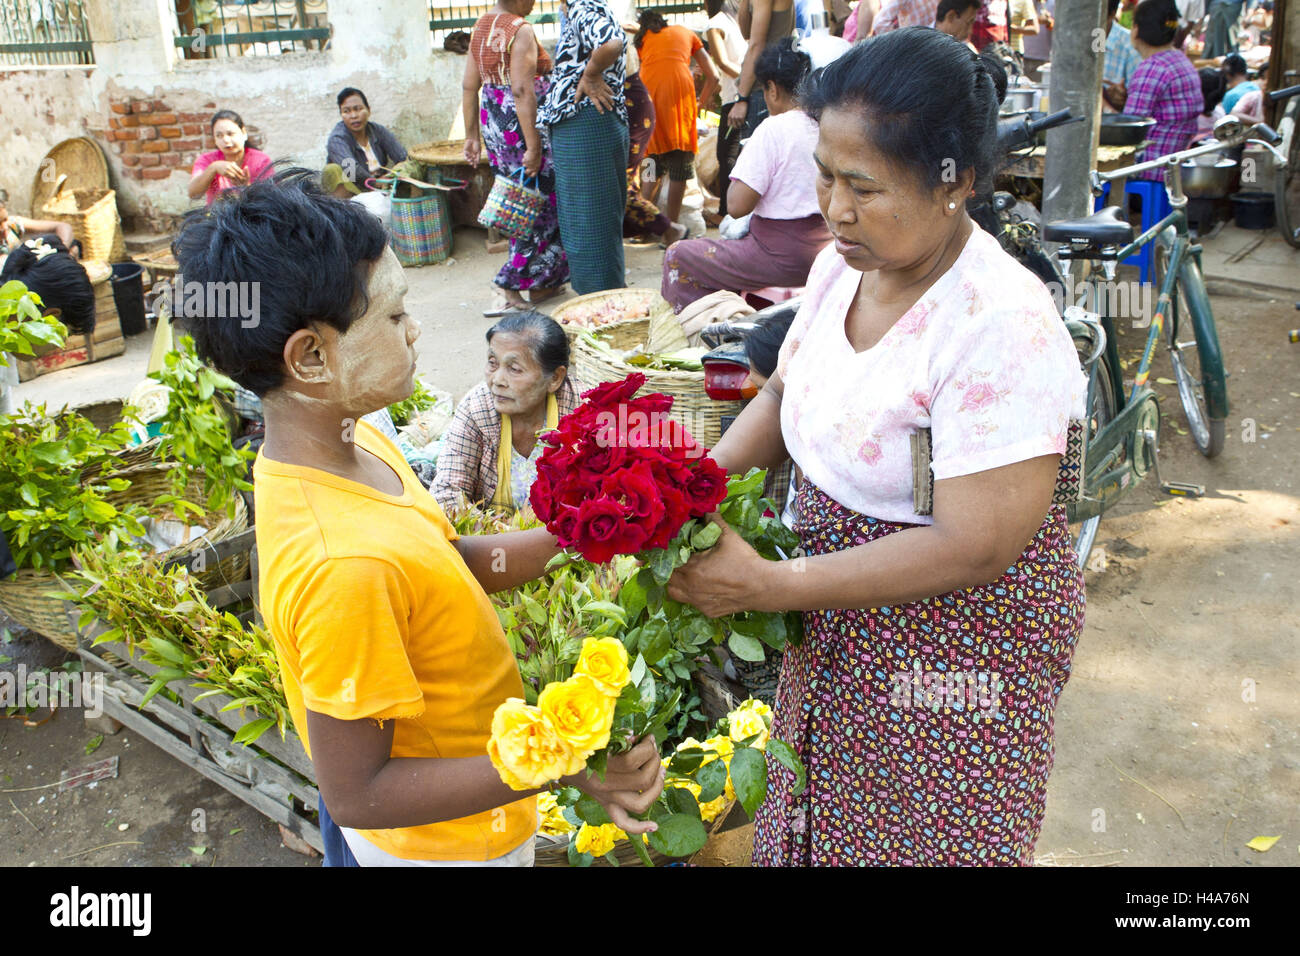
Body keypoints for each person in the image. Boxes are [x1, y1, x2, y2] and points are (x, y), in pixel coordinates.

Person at [666, 29, 1087, 866]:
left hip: (952, 654)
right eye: (825, 176)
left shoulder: (1000, 324)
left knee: (918, 841)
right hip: (837, 622)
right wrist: (685, 492)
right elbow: (783, 392)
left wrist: (771, 583)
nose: (835, 208)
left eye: (863, 186)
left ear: (954, 183)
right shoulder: (844, 267)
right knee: (821, 822)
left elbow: (974, 545)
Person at [170, 170, 664, 867]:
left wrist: (582, 534)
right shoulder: (344, 565)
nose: (417, 328)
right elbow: (360, 793)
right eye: (395, 317)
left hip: (478, 818)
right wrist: (558, 760)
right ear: (310, 357)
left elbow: (445, 565)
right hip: (440, 850)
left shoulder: (352, 441)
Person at [662, 38, 831, 312]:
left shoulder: (774, 128)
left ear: (772, 89)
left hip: (782, 257)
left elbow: (738, 207)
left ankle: (696, 336)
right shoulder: (827, 123)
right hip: (827, 249)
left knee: (678, 255)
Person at [463, 0, 569, 315]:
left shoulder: (481, 25)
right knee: (536, 204)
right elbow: (522, 90)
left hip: (494, 119)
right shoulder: (519, 30)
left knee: (518, 198)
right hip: (519, 124)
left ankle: (541, 284)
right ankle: (510, 281)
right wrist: (534, 147)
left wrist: (472, 137)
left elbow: (470, 86)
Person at [432, 311, 584, 514]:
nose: (497, 380)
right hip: (494, 538)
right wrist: (501, 535)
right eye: (492, 363)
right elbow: (446, 494)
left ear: (555, 378)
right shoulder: (477, 409)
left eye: (514, 368)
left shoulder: (583, 407)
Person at [539, 0, 629, 295]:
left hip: (585, 125)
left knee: (588, 219)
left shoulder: (582, 4)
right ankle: (605, 299)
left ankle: (600, 303)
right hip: (592, 123)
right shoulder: (588, 6)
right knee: (594, 217)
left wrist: (589, 75)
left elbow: (610, 43)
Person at [636, 10, 719, 229]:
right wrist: (700, 102)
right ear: (663, 21)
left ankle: (643, 227)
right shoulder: (686, 32)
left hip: (649, 108)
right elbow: (714, 76)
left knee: (651, 166)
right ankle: (670, 226)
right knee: (678, 170)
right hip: (678, 106)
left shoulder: (643, 40)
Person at [0, 237, 97, 414]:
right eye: (64, 334)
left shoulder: (7, 333)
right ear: (51, 318)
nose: (59, 347)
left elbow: (3, 419)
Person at [1124, 0, 1204, 180]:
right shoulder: (1181, 61)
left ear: (1136, 30)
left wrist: (1103, 99)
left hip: (1149, 171)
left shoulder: (1152, 69)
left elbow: (1129, 131)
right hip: (1172, 169)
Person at [622, 41, 688, 246]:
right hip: (653, 124)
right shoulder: (648, 51)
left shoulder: (643, 53)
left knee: (643, 175)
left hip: (647, 123)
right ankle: (656, 227)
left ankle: (664, 227)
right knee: (646, 173)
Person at [729, 0, 797, 138]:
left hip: (763, 88)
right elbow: (746, 33)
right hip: (773, 86)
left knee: (754, 155)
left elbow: (756, 45)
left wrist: (742, 98)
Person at [706, 0, 747, 219]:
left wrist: (744, 83)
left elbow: (722, 62)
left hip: (734, 99)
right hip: (745, 96)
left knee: (727, 156)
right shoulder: (739, 22)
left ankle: (726, 212)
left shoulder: (715, 23)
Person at [326, 88, 409, 190]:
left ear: (368, 110)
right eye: (346, 111)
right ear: (341, 115)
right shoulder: (337, 139)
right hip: (354, 191)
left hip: (382, 187)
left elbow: (402, 157)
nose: (354, 116)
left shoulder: (378, 131)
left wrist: (396, 174)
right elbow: (351, 171)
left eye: (358, 109)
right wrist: (376, 183)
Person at [188, 110, 273, 205]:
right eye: (219, 135)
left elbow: (270, 200)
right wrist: (213, 168)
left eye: (230, 134)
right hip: (216, 217)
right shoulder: (207, 160)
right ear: (214, 140)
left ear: (244, 133)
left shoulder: (261, 161)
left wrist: (246, 187)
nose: (226, 140)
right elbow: (193, 194)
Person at [0, 187, 73, 253]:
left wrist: (61, 250)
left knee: (74, 246)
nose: (4, 227)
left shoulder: (13, 225)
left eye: (5, 220)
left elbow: (63, 226)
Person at [1103, 0, 1142, 110]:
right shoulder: (1080, 40)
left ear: (1112, 14)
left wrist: (1120, 98)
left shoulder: (1130, 46)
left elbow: (1137, 101)